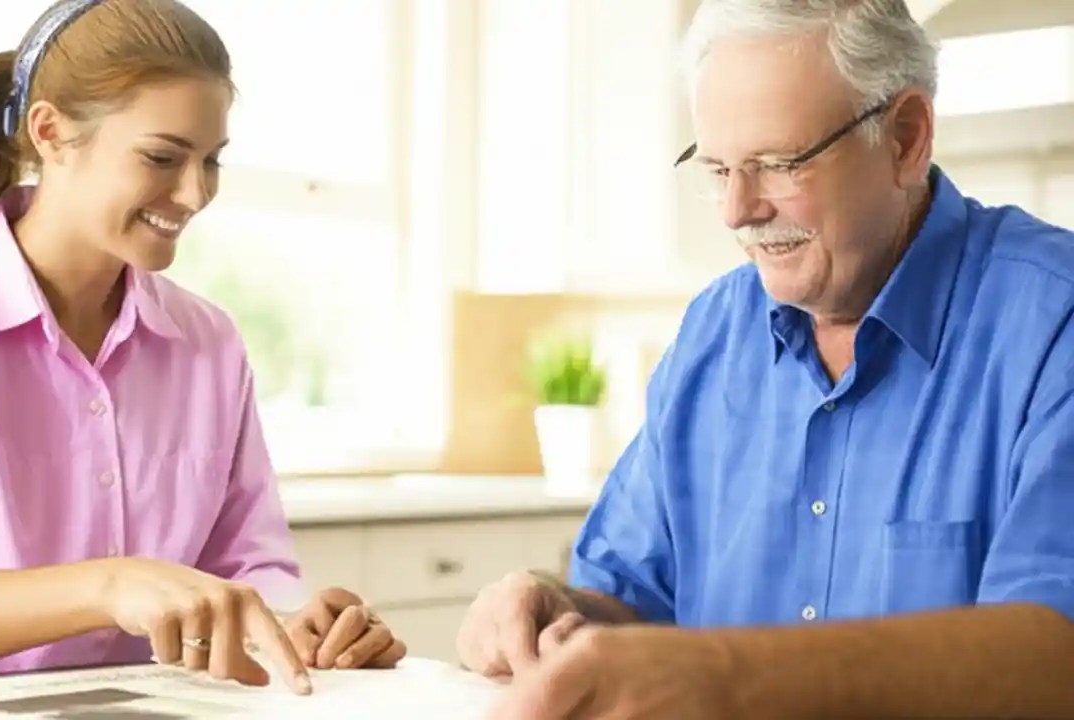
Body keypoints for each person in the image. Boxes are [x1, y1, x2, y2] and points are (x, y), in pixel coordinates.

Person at [460, 1, 1074, 718]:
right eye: (719, 168)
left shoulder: (1053, 322)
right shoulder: (712, 333)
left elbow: (1055, 653)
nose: (736, 210)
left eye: (778, 164)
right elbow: (630, 600)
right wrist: (550, 608)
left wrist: (728, 674)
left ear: (906, 138)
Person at [0, 0, 405, 694]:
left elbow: (240, 577)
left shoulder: (209, 344)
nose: (195, 192)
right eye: (162, 157)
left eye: (211, 161)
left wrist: (292, 627)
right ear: (50, 133)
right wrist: (105, 586)